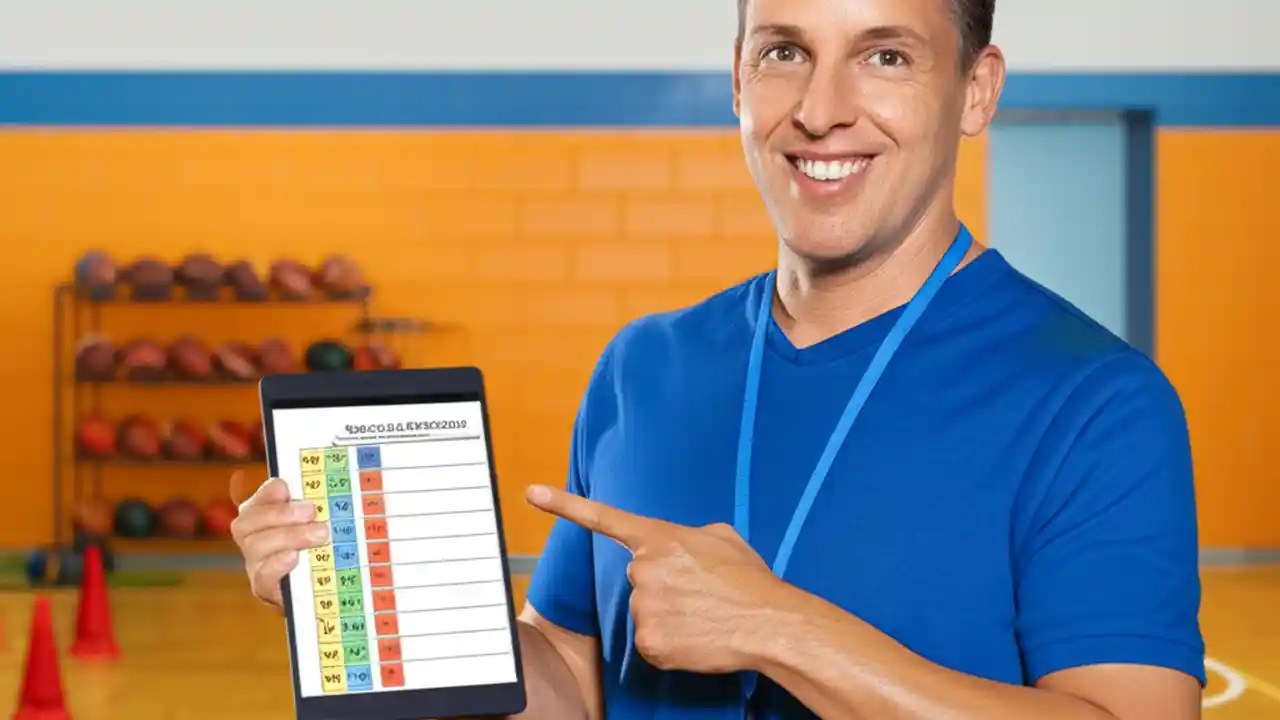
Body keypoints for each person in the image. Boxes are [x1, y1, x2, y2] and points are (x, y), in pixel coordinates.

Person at [230, 0, 1207, 717]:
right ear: (738, 78)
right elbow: (570, 685)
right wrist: (357, 605)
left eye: (883, 56)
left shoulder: (1095, 402)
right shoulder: (642, 367)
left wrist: (779, 627)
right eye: (784, 51)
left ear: (973, 91)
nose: (821, 109)